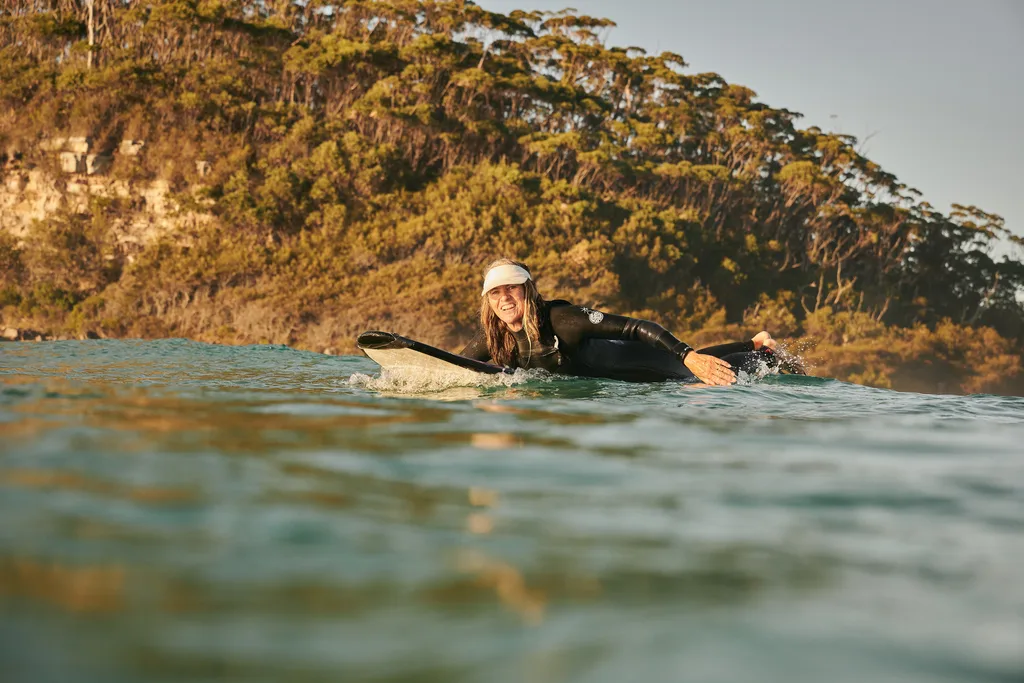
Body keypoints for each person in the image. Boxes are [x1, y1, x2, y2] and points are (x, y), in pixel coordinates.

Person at [459, 258, 782, 386]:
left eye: (512, 289)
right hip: (622, 379)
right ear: (487, 299)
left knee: (702, 372)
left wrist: (688, 355)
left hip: (646, 368)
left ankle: (763, 352)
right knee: (697, 362)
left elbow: (638, 327)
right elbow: (455, 366)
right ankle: (755, 340)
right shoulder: (493, 336)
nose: (505, 299)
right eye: (496, 292)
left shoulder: (563, 319)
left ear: (528, 290)